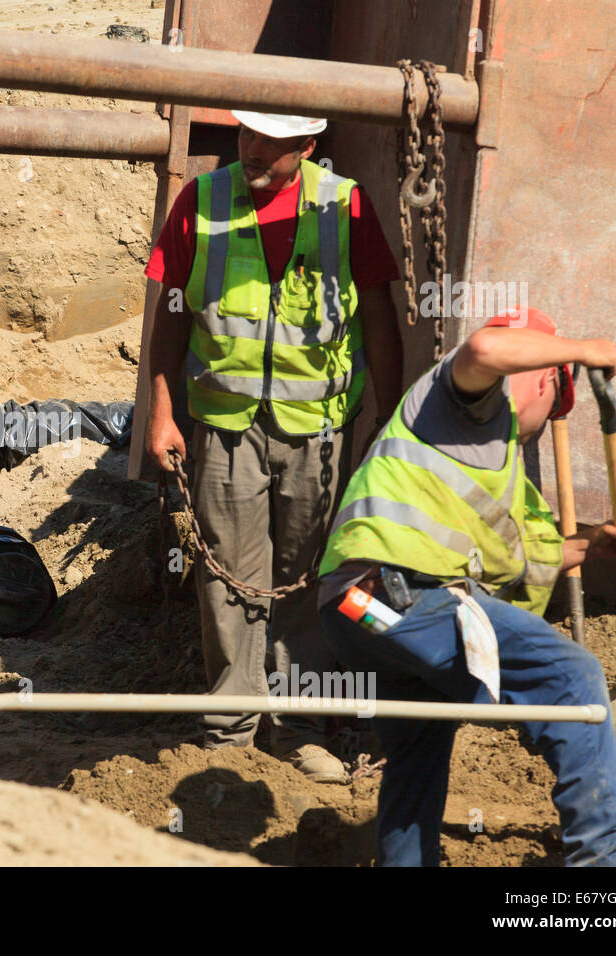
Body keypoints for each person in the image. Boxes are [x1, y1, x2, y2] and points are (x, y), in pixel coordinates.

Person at [318, 307, 616, 866]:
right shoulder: (469, 398)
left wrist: (593, 544)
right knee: (572, 675)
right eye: (558, 398)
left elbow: (527, 560)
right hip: (392, 595)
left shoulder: (491, 458)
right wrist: (581, 347)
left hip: (355, 609)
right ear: (546, 377)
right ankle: (607, 859)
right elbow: (484, 350)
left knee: (419, 753)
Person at [144, 110, 404, 781]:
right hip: (226, 424)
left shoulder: (343, 205)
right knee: (227, 577)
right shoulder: (202, 201)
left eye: (271, 142)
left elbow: (377, 309)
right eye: (246, 135)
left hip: (318, 432)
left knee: (307, 577)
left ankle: (297, 727)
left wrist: (385, 415)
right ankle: (230, 733)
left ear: (306, 147)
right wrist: (162, 414)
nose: (253, 150)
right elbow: (171, 314)